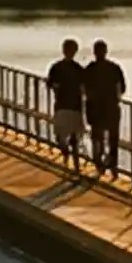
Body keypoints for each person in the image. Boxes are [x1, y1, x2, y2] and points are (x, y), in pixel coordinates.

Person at [84, 39, 126, 174]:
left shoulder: (89, 69)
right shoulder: (114, 68)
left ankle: (99, 161)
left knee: (97, 136)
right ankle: (113, 166)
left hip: (95, 108)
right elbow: (122, 88)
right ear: (106, 51)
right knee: (113, 139)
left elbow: (84, 88)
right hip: (111, 108)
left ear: (94, 52)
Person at [46, 38, 85, 169]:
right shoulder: (79, 69)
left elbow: (50, 85)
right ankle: (75, 163)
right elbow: (83, 88)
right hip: (74, 107)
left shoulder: (56, 67)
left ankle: (70, 158)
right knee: (73, 137)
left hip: (62, 106)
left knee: (61, 136)